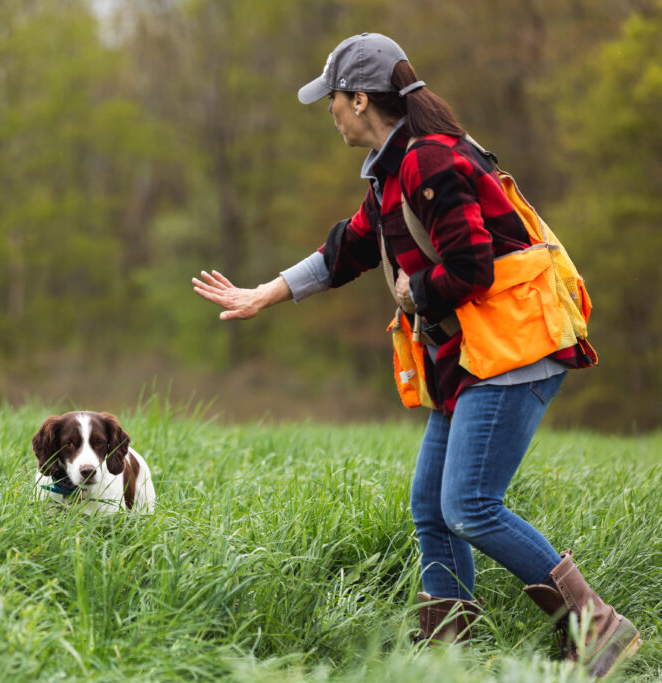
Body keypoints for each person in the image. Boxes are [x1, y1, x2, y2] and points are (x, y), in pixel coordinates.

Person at [191, 33, 639, 678]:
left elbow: (472, 267)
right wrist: (265, 293)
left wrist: (415, 291)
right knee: (432, 507)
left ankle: (597, 627)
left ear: (360, 98)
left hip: (515, 353)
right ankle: (448, 657)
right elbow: (347, 248)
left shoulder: (428, 163)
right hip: (473, 360)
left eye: (333, 100)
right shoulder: (392, 166)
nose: (330, 112)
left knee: (470, 506)